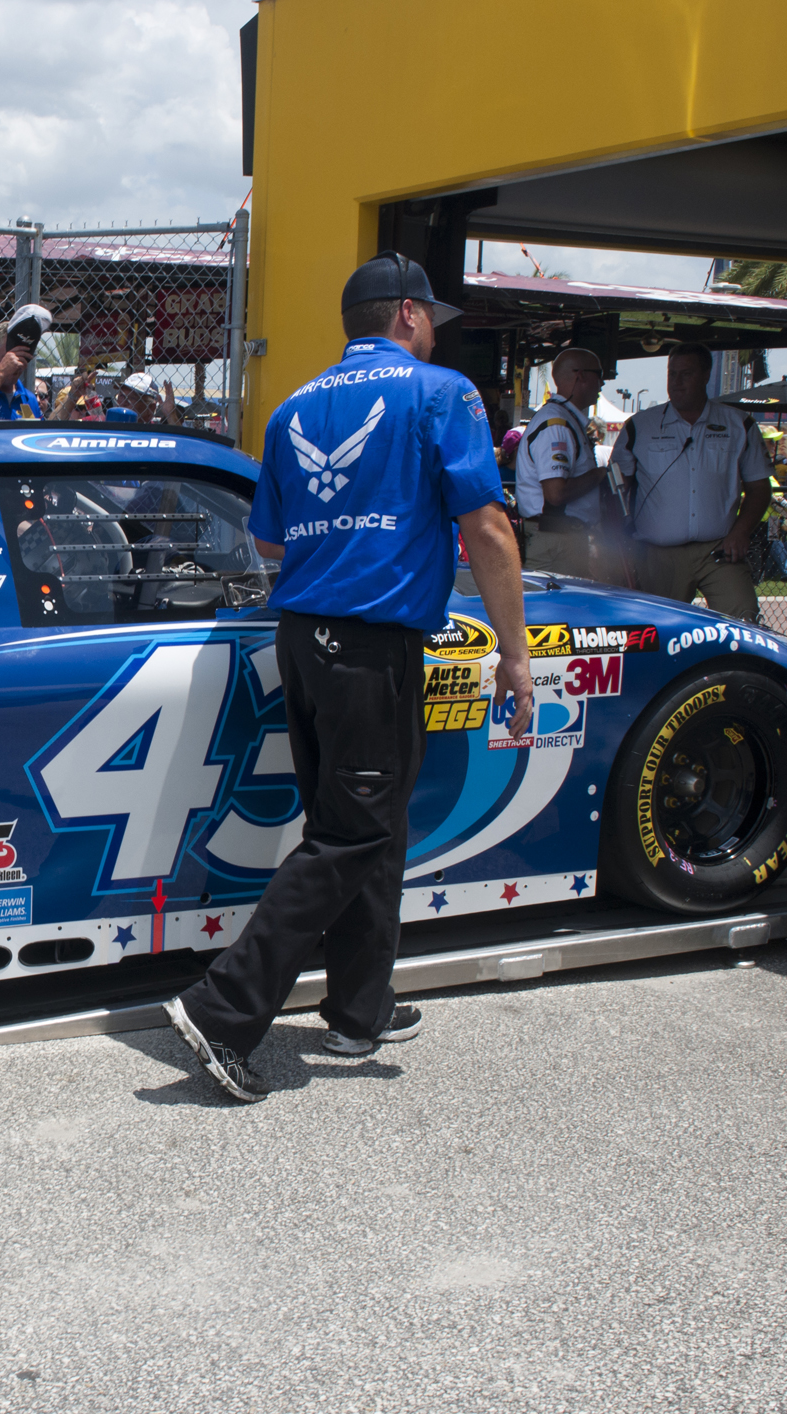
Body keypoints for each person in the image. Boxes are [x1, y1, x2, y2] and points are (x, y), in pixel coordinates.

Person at [160, 251, 534, 1102]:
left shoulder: (293, 403)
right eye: (431, 314)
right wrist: (514, 652)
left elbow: (265, 540)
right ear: (407, 314)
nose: (436, 328)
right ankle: (225, 1009)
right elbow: (488, 526)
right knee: (355, 833)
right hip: (371, 645)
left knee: (369, 823)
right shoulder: (442, 394)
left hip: (305, 637)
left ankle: (360, 1009)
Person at [609, 344, 772, 622]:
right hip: (657, 554)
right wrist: (619, 538)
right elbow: (614, 486)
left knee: (745, 620)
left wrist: (741, 532)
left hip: (719, 550)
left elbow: (760, 488)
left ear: (707, 375)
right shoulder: (640, 426)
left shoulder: (738, 424)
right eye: (672, 374)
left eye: (686, 374)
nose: (677, 382)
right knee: (655, 632)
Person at [513, 347, 616, 580]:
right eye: (600, 375)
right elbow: (556, 493)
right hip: (555, 541)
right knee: (553, 613)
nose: (602, 384)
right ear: (580, 376)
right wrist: (599, 475)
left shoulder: (565, 419)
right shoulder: (557, 425)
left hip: (560, 538)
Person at [115, 369, 184, 426]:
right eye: (121, 396)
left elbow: (181, 441)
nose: (124, 402)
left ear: (150, 408)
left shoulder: (155, 435)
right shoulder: (109, 428)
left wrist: (171, 415)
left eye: (132, 398)